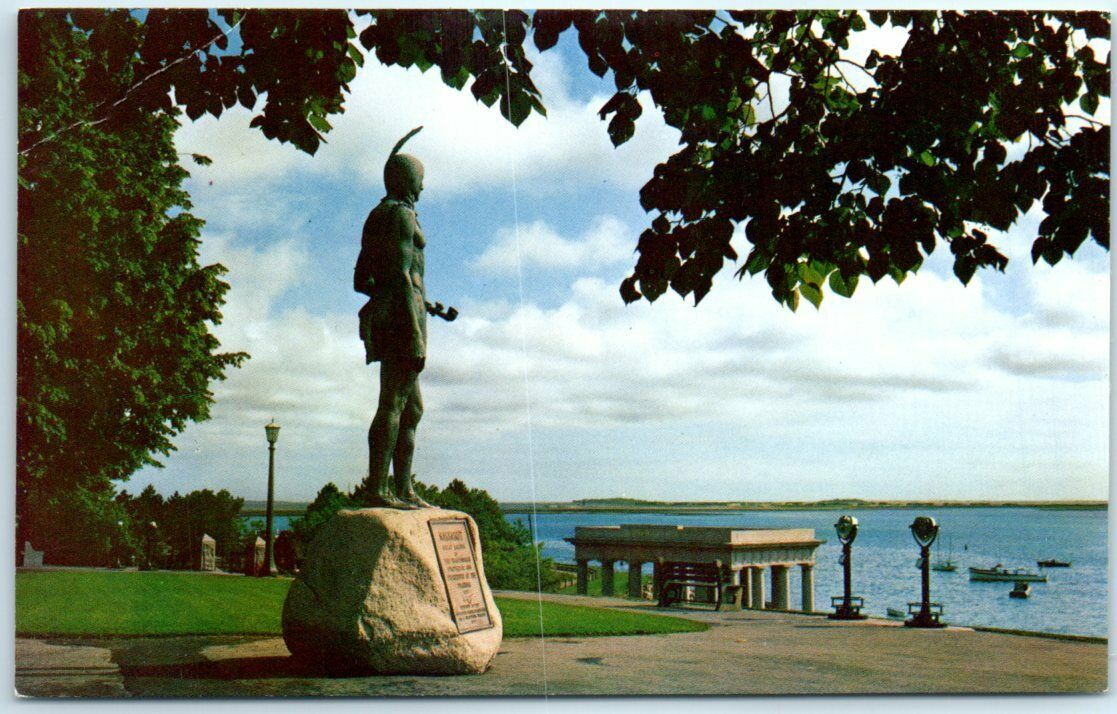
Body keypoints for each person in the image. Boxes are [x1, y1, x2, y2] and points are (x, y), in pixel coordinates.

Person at [354, 127, 434, 509]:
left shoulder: (377, 216)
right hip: (404, 321)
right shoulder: (401, 215)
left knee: (411, 408)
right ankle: (380, 490)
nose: (422, 187)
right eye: (420, 179)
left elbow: (362, 280)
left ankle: (403, 489)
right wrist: (414, 328)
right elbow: (402, 273)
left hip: (399, 311)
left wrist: (423, 302)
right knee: (393, 403)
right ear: (406, 180)